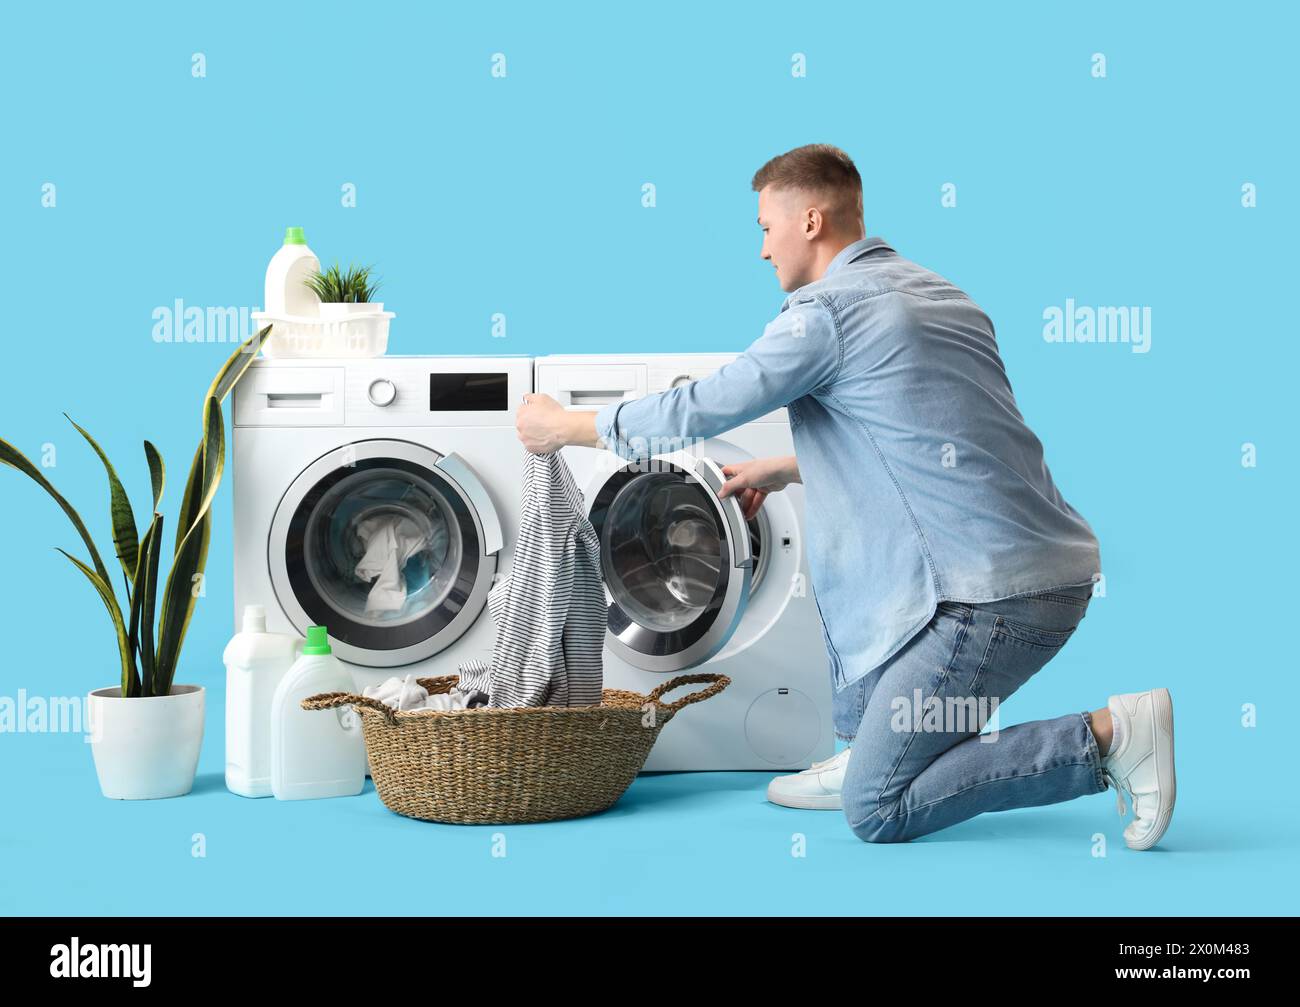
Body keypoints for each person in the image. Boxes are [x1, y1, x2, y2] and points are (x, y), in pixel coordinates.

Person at [515, 143, 1175, 849]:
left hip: (990, 601)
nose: (762, 250)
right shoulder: (941, 294)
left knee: (878, 808)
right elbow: (933, 439)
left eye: (765, 227)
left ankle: (1108, 738)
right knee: (861, 552)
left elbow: (702, 407)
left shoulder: (824, 313)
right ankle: (870, 744)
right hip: (1048, 572)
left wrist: (569, 426)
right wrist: (789, 467)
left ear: (809, 220)